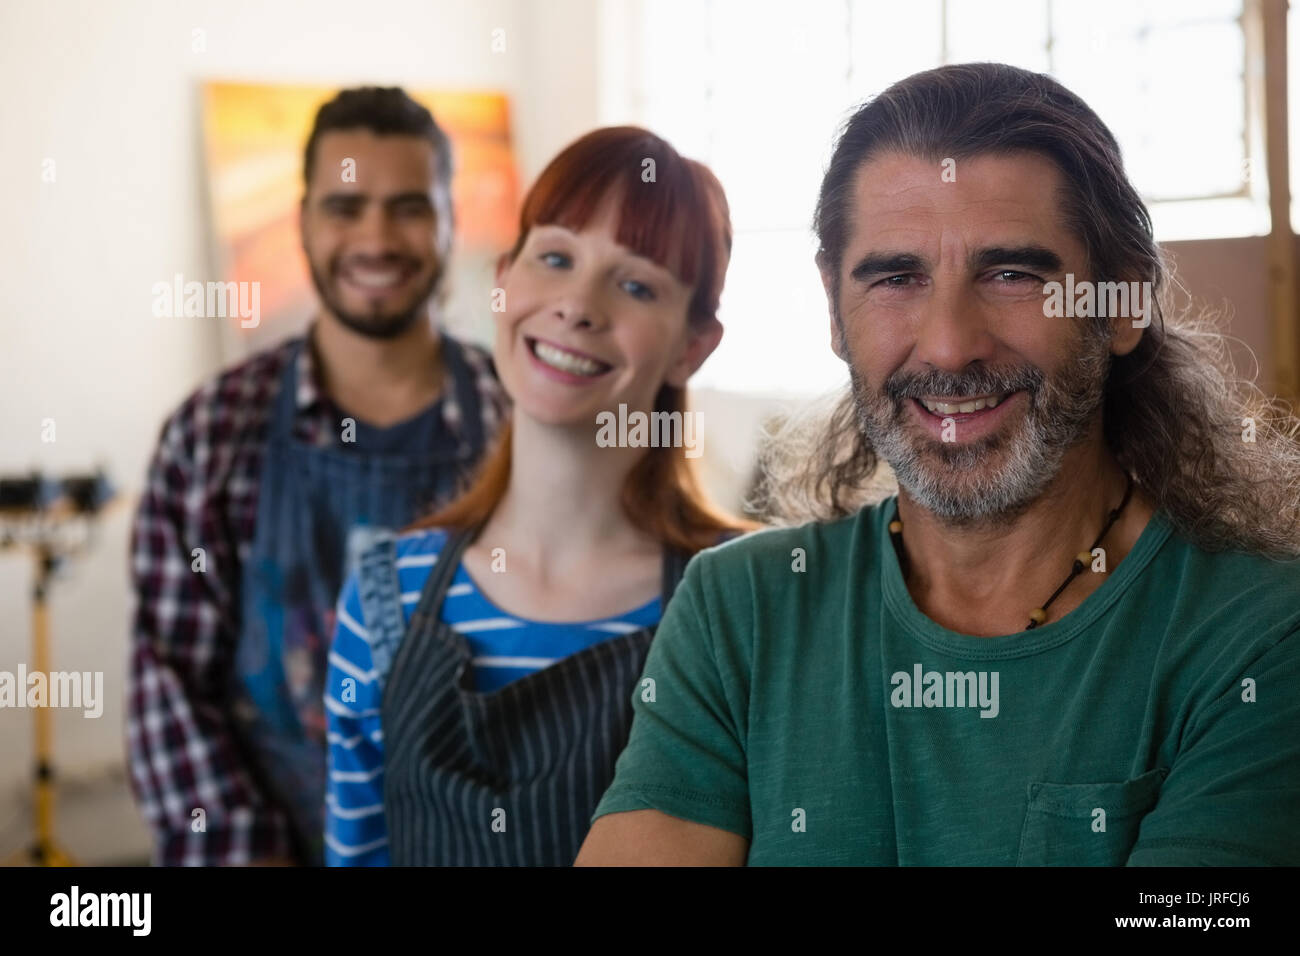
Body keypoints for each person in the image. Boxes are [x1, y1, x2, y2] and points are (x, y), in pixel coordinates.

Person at [576, 63, 1300, 866]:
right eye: (896, 278)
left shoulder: (1262, 635)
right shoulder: (737, 613)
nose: (951, 344)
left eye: (1013, 274)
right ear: (832, 310)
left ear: (1124, 304)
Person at [324, 126, 752, 866]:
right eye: (554, 258)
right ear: (503, 282)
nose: (577, 305)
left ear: (692, 345)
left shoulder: (742, 600)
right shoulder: (383, 596)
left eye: (637, 283)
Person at [127, 87, 508, 866]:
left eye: (407, 207)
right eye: (345, 207)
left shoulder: (522, 422)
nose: (375, 238)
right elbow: (170, 688)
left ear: (448, 221)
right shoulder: (211, 437)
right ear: (302, 222)